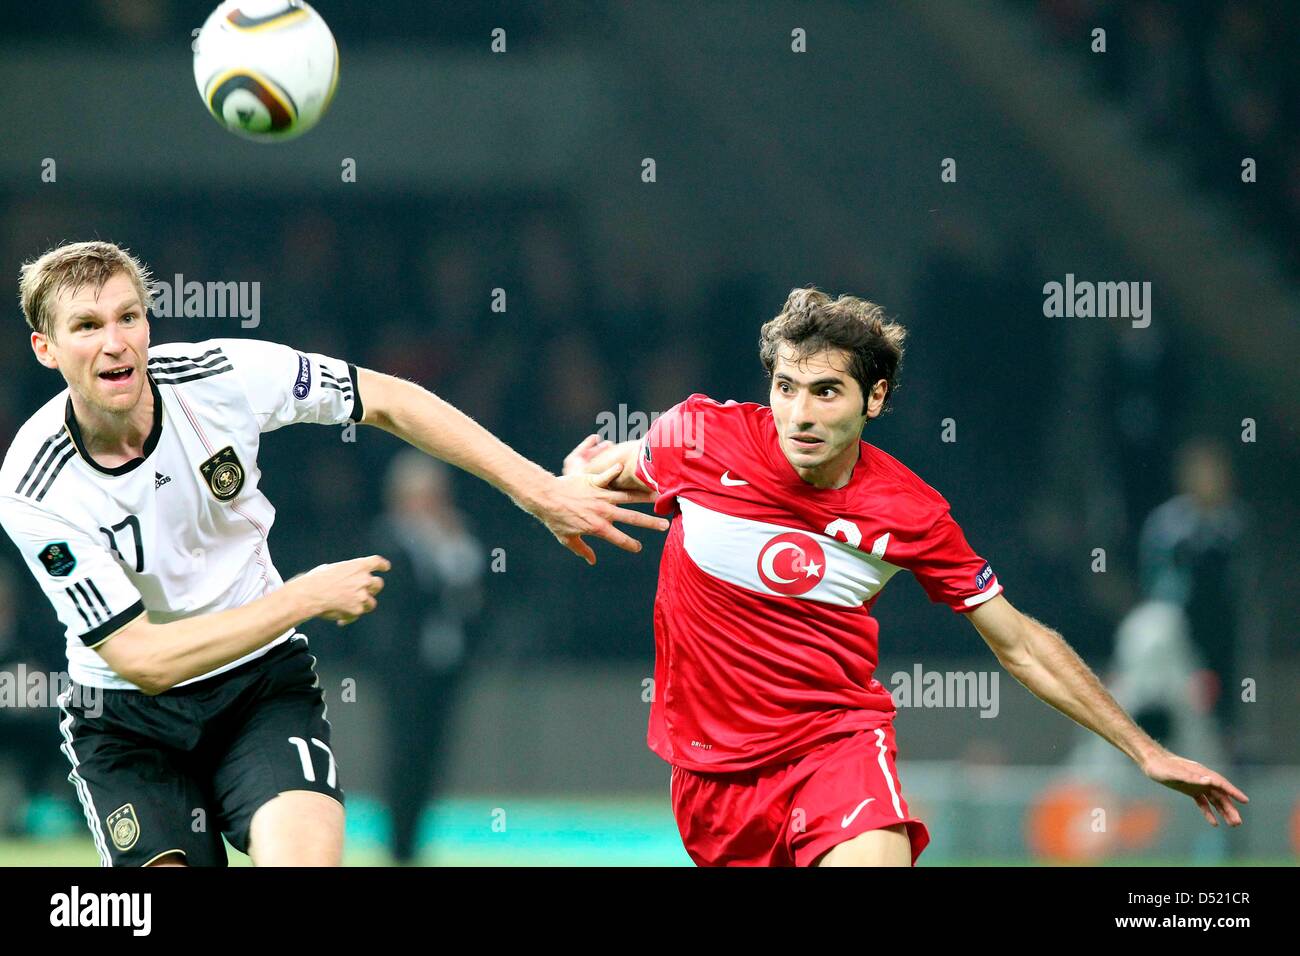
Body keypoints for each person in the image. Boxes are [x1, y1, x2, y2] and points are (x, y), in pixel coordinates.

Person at [0, 240, 666, 867]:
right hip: (128, 724)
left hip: (257, 689)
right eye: (87, 325)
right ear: (46, 348)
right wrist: (302, 596)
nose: (115, 342)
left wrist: (540, 491)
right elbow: (143, 660)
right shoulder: (36, 487)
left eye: (129, 317)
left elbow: (391, 400)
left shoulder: (220, 377)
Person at [562, 287, 1248, 867]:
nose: (800, 415)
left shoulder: (910, 512)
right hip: (711, 775)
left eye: (827, 391)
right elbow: (592, 475)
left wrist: (1145, 750)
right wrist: (568, 482)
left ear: (876, 398)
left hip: (836, 749)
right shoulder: (700, 437)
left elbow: (1020, 643)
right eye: (786, 388)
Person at [357, 451, 485, 864]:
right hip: (403, 670)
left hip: (443, 668)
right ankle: (398, 845)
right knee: (403, 753)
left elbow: (470, 593)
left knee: (433, 753)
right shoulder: (388, 538)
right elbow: (400, 604)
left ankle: (414, 841)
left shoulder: (453, 536)